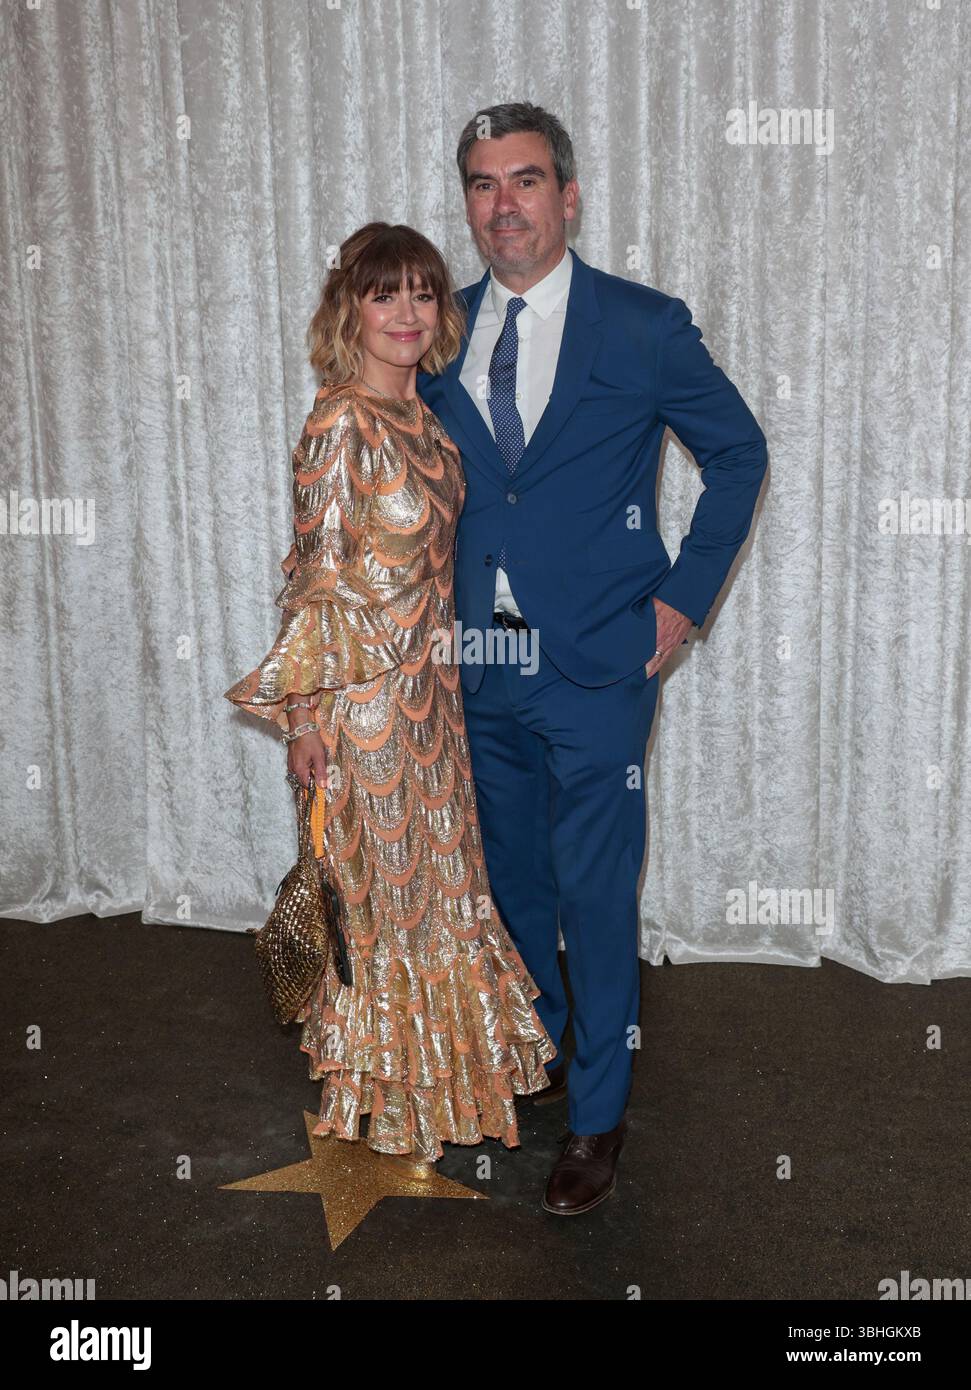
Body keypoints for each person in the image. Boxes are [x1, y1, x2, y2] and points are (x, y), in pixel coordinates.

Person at [413, 102, 769, 1215]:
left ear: (567, 196)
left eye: (524, 180)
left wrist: (681, 600)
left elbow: (738, 453)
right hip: (476, 664)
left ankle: (599, 1116)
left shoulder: (641, 325)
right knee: (511, 881)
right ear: (466, 202)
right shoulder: (436, 333)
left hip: (599, 661)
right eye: (482, 183)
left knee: (595, 890)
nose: (503, 203)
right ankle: (544, 1052)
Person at [224, 222, 557, 1179]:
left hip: (432, 701)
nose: (406, 312)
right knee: (382, 907)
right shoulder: (340, 422)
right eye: (384, 294)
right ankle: (386, 1092)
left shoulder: (427, 419)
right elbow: (315, 578)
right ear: (350, 309)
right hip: (363, 713)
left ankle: (443, 1083)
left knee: (442, 895)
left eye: (421, 292)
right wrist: (306, 719)